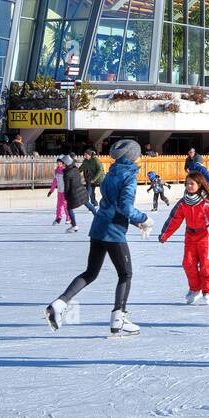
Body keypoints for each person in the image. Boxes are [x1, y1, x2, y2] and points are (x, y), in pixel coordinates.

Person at [45, 139, 152, 338]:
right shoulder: (128, 175)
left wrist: (134, 222)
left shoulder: (112, 172)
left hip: (99, 228)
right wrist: (144, 218)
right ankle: (118, 320)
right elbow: (125, 207)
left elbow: (111, 203)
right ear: (132, 156)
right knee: (125, 274)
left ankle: (59, 304)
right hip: (113, 232)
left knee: (91, 272)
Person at [160, 171, 209, 305]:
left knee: (206, 264)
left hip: (206, 235)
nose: (188, 186)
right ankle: (195, 289)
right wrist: (165, 234)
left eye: (192, 184)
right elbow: (174, 219)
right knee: (188, 263)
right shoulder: (183, 203)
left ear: (199, 185)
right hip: (190, 235)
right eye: (187, 183)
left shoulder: (206, 203)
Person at [58, 154, 89, 233]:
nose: (62, 164)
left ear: (66, 163)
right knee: (87, 203)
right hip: (81, 189)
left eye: (63, 163)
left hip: (74, 192)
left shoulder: (67, 173)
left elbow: (67, 186)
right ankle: (97, 216)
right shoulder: (75, 168)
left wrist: (66, 195)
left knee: (69, 208)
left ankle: (74, 225)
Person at [48, 157, 71, 226]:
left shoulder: (65, 171)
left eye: (60, 162)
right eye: (57, 162)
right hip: (59, 191)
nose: (58, 163)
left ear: (63, 163)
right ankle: (58, 217)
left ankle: (68, 218)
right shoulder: (56, 171)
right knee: (59, 205)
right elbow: (55, 182)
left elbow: (68, 181)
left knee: (65, 205)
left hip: (65, 191)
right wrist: (51, 191)